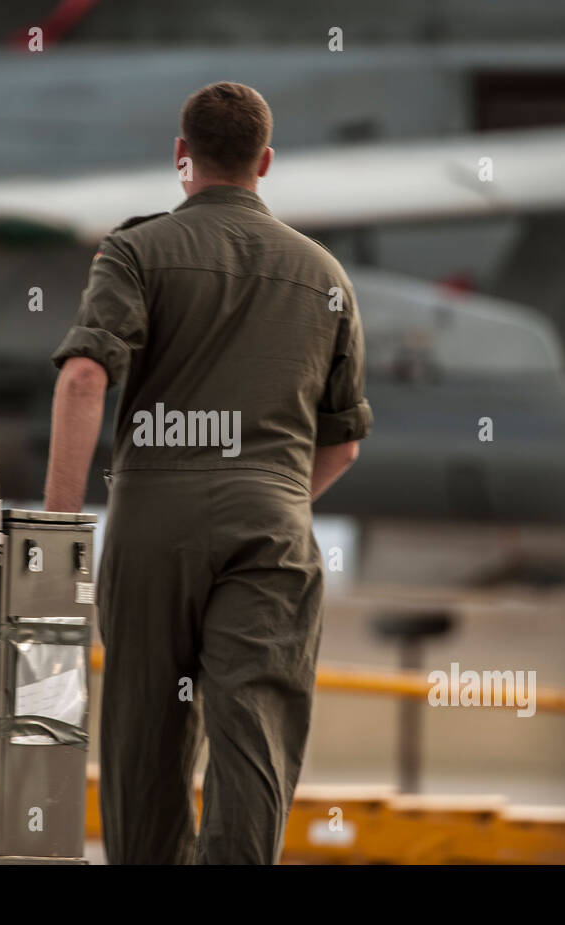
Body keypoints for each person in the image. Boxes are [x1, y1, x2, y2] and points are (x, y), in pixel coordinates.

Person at [43, 81, 371, 864]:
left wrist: (59, 531)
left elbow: (86, 379)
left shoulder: (135, 251)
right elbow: (345, 441)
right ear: (265, 162)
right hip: (274, 523)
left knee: (144, 740)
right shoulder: (325, 274)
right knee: (254, 729)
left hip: (153, 519)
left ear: (182, 157)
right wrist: (280, 498)